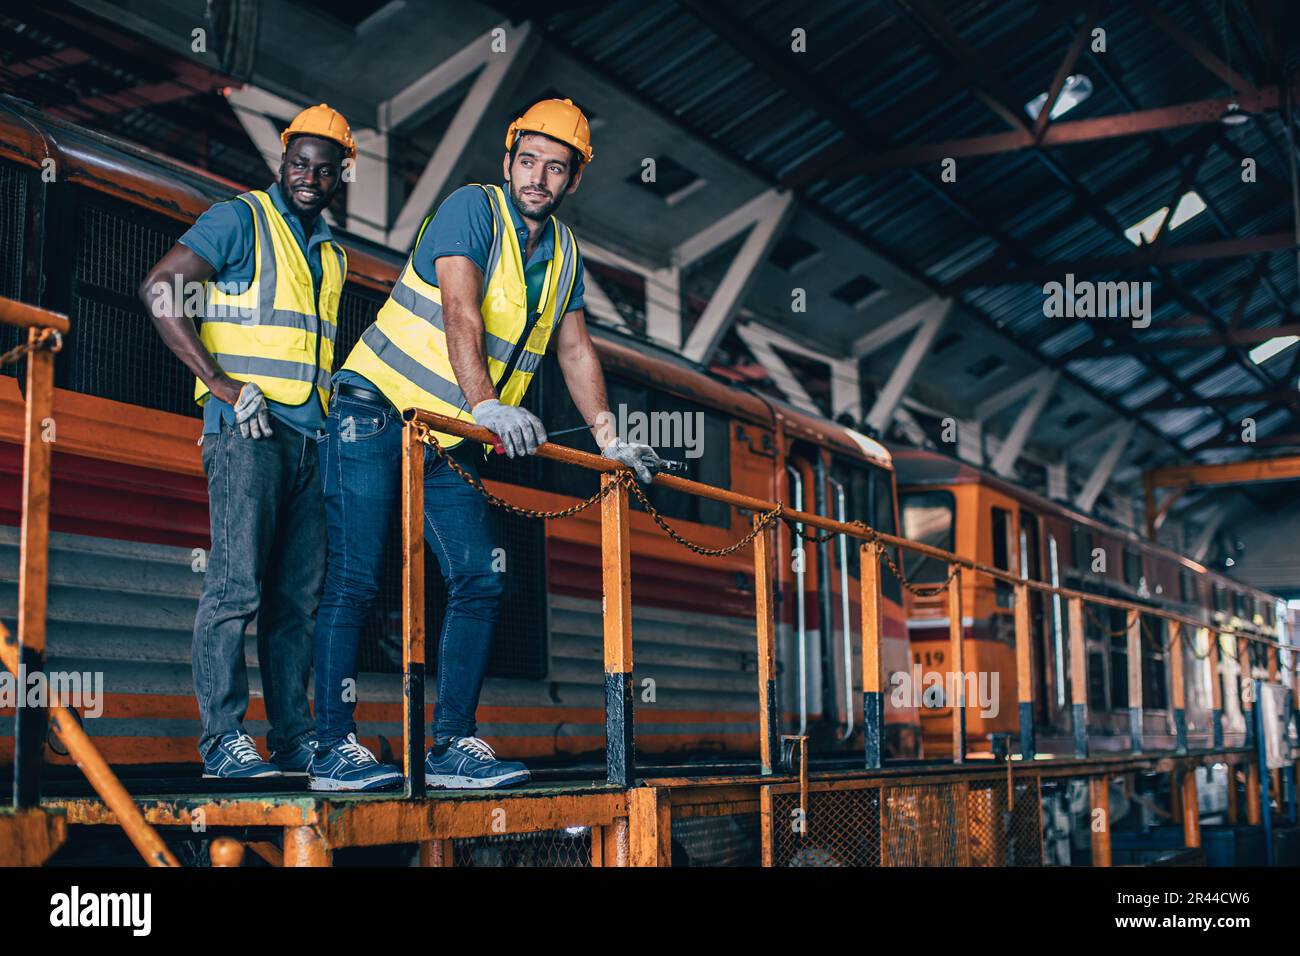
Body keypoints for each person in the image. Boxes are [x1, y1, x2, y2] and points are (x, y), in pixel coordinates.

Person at [311, 97, 664, 791]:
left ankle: (451, 746)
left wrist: (611, 440)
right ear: (508, 162)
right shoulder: (473, 210)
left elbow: (576, 350)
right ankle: (331, 747)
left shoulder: (563, 254)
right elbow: (460, 310)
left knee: (479, 576)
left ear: (574, 181)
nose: (538, 177)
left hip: (450, 437)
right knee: (355, 576)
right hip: (376, 408)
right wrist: (489, 405)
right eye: (527, 161)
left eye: (555, 168)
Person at [139, 105, 354, 779]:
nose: (309, 177)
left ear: (340, 174)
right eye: (299, 164)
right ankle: (224, 741)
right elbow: (158, 289)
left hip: (311, 441)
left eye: (324, 168)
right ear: (281, 163)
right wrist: (221, 384)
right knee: (234, 588)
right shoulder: (239, 219)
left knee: (297, 603)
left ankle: (294, 740)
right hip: (246, 432)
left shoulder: (334, 253)